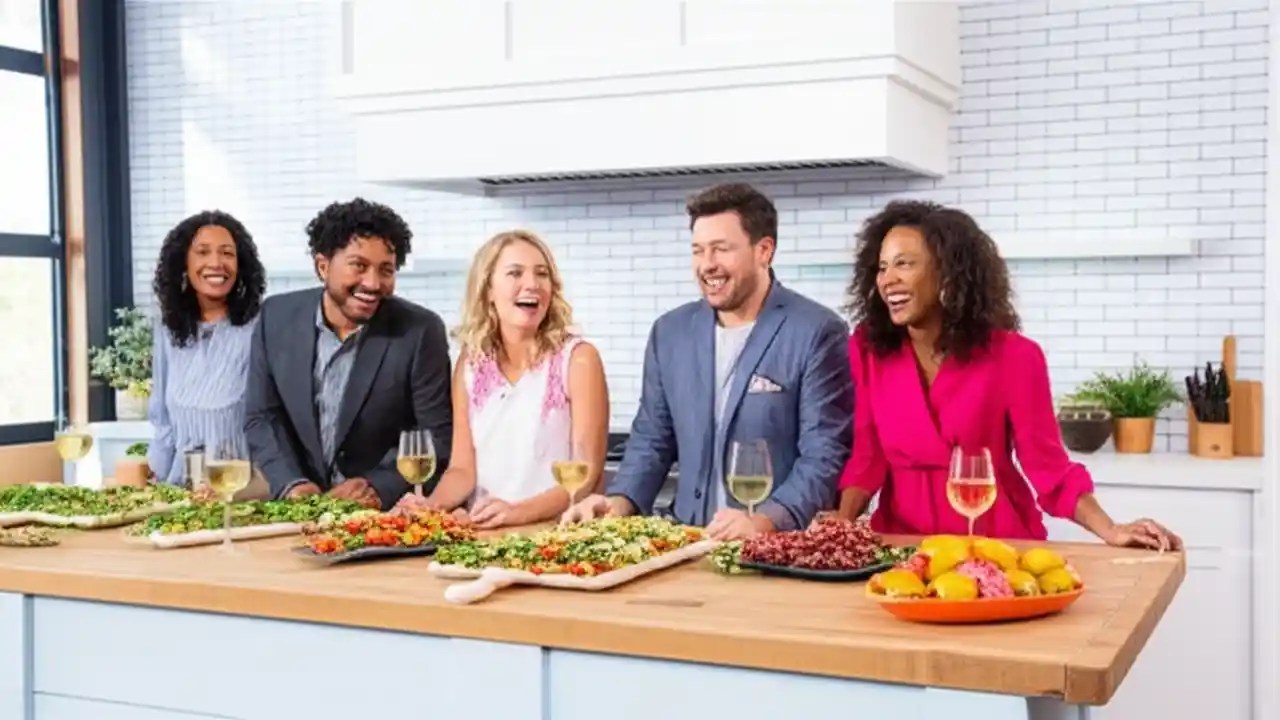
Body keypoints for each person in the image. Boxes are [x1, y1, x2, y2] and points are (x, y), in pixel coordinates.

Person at [835, 199, 1182, 551]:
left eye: (903, 264)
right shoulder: (868, 351)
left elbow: (1049, 469)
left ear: (947, 273)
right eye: (881, 268)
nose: (887, 280)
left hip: (998, 542)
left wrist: (1111, 529)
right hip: (903, 545)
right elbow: (867, 457)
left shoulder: (1015, 357)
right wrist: (841, 524)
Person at [562, 183, 854, 540]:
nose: (707, 265)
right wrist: (618, 503)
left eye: (721, 249)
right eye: (698, 251)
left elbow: (824, 455)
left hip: (776, 550)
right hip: (686, 545)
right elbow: (652, 439)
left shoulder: (816, 331)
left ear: (764, 251)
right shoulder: (669, 333)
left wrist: (763, 522)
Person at [243, 197, 453, 510]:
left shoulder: (419, 331)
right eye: (359, 266)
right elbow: (261, 416)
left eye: (386, 270)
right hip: (297, 508)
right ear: (323, 266)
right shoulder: (275, 317)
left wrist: (375, 487)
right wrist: (293, 485)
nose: (373, 283)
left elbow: (437, 438)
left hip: (382, 516)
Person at [396, 230, 609, 529]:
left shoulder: (578, 359)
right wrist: (429, 507)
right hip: (485, 534)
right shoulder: (470, 365)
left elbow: (586, 476)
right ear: (488, 291)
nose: (532, 284)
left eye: (542, 274)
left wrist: (518, 512)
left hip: (558, 536)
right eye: (515, 273)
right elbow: (461, 470)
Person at [147, 210, 268, 493]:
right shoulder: (168, 329)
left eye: (227, 253)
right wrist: (153, 486)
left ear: (241, 266)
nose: (216, 263)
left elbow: (274, 423)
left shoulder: (260, 327)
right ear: (184, 264)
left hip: (242, 496)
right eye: (202, 252)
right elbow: (163, 422)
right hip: (180, 495)